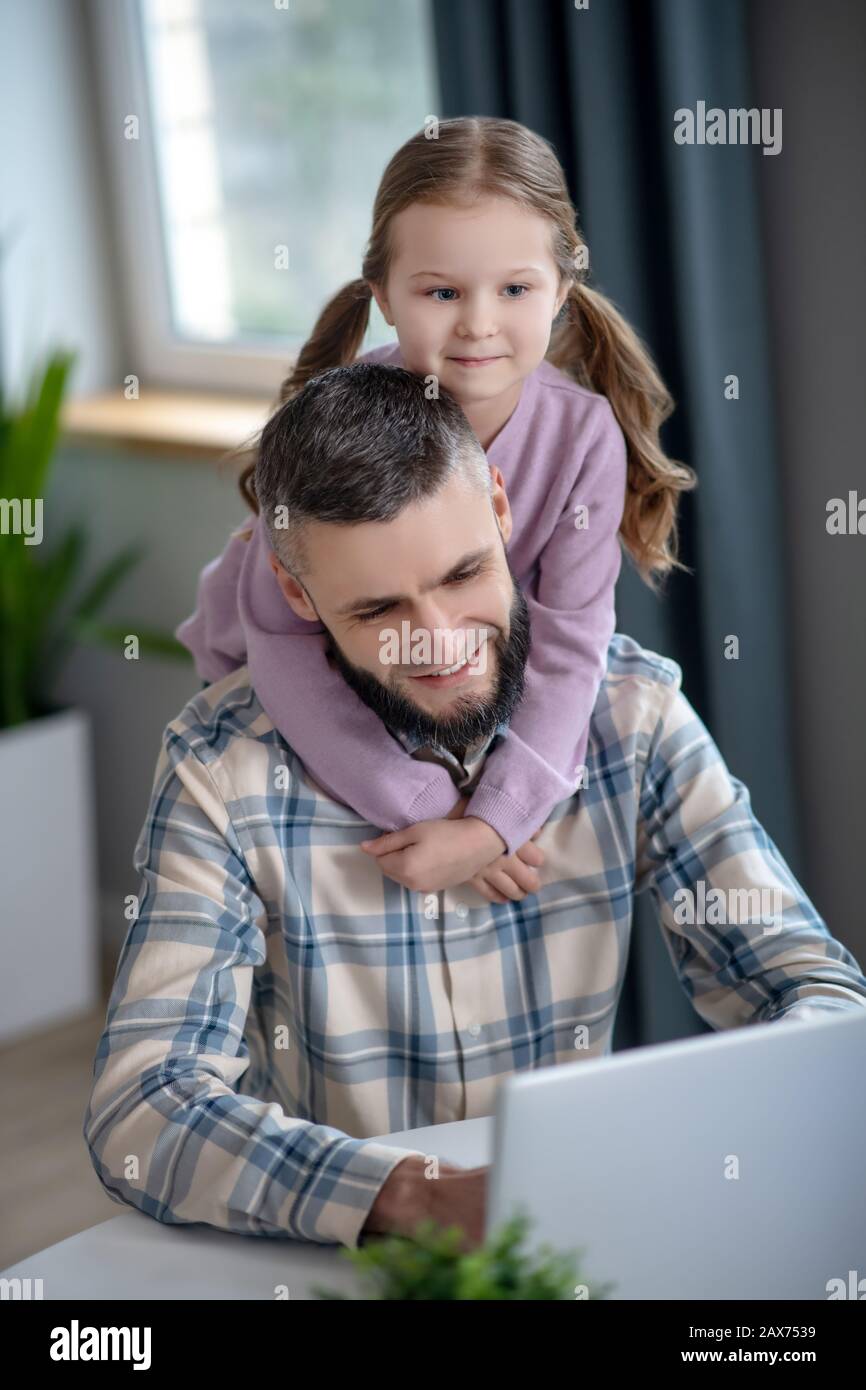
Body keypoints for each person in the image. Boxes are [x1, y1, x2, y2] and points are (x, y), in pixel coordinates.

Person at [85, 365, 866, 1253]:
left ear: (500, 508)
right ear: (296, 593)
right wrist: (413, 1198)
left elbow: (824, 1003)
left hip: (580, 1249)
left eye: (463, 574)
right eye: (379, 608)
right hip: (344, 1265)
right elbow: (141, 1110)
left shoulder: (633, 717)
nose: (441, 641)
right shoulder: (221, 767)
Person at [175, 114, 696, 904]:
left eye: (515, 288)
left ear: (561, 288)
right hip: (276, 664)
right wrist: (435, 810)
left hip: (441, 665)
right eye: (442, 291)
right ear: (382, 293)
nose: (479, 323)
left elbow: (569, 642)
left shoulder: (584, 436)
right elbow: (277, 635)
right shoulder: (338, 421)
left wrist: (494, 822)